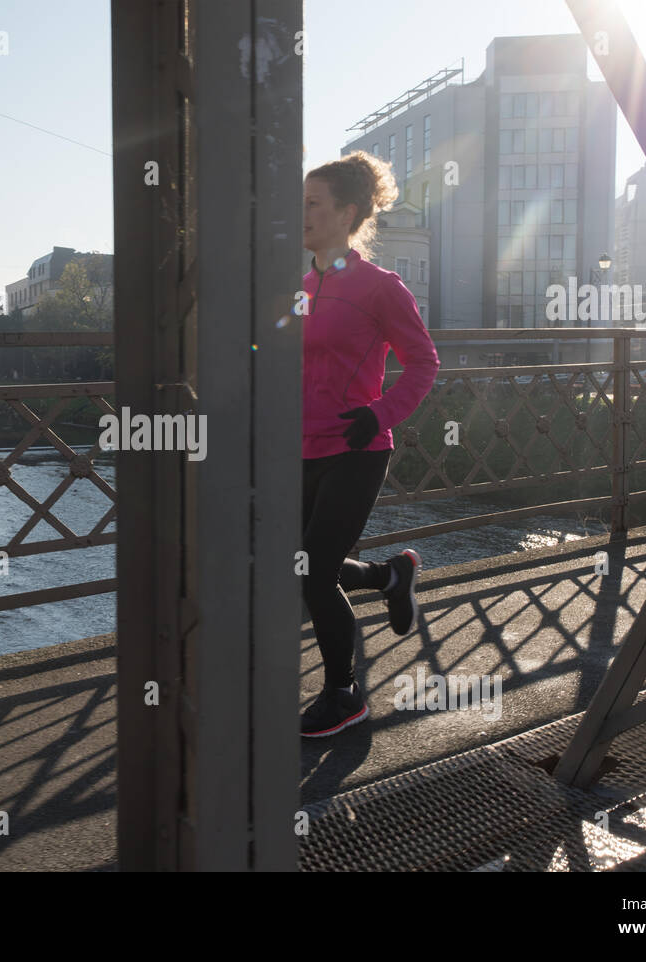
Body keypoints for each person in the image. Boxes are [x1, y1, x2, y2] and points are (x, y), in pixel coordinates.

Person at [299, 150, 440, 738]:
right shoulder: (304, 285)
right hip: (300, 448)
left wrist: (380, 412)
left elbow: (423, 364)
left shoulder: (381, 287)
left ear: (346, 212)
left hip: (358, 448)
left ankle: (345, 693)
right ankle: (389, 576)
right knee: (302, 565)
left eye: (311, 204)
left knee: (313, 574)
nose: (300, 213)